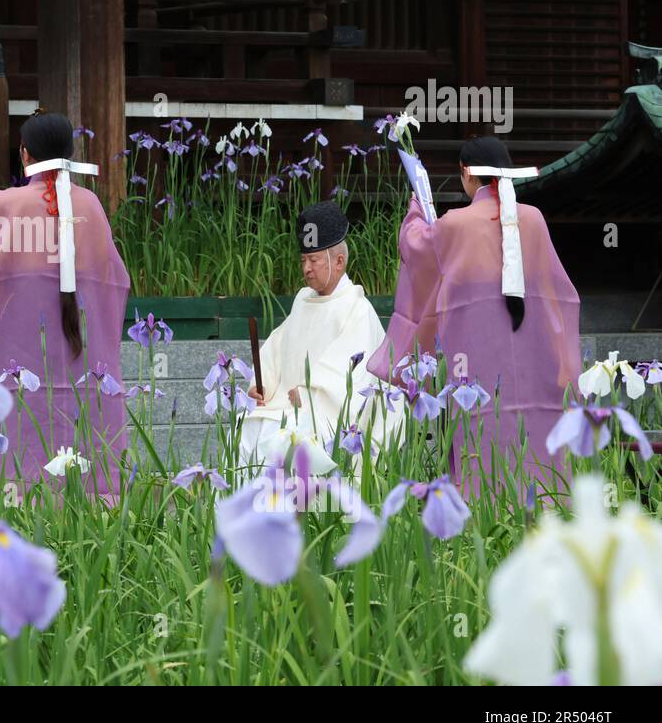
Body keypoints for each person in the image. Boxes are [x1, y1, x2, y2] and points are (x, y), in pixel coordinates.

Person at [368, 135, 581, 496]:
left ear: (466, 173)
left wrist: (416, 210)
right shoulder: (534, 219)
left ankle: (481, 511)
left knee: (482, 428)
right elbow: (556, 292)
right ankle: (546, 503)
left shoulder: (454, 224)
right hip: (535, 351)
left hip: (475, 358)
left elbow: (416, 248)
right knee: (537, 431)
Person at [0, 111, 130, 495]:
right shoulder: (90, 205)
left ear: (24, 154)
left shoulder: (7, 202)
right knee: (83, 422)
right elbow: (112, 280)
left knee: (21, 427)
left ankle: (15, 497)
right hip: (81, 348)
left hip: (20, 349)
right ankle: (94, 505)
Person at [241, 202, 390, 475]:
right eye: (303, 261)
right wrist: (261, 385)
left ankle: (301, 514)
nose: (307, 268)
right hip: (285, 405)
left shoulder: (356, 309)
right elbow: (278, 347)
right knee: (247, 426)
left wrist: (311, 392)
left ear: (340, 261)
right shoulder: (303, 300)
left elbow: (354, 374)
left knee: (283, 436)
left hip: (323, 413)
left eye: (314, 260)